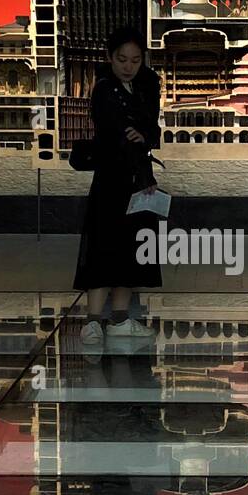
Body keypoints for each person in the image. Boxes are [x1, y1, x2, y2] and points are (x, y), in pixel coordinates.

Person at [73, 25, 162, 346]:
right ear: (110, 57)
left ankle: (120, 319)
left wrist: (145, 136)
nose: (128, 66)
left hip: (138, 179)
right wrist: (138, 136)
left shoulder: (144, 87)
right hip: (111, 180)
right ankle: (93, 322)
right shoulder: (104, 89)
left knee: (131, 249)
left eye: (135, 60)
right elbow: (113, 132)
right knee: (103, 247)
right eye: (122, 59)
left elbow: (152, 128)